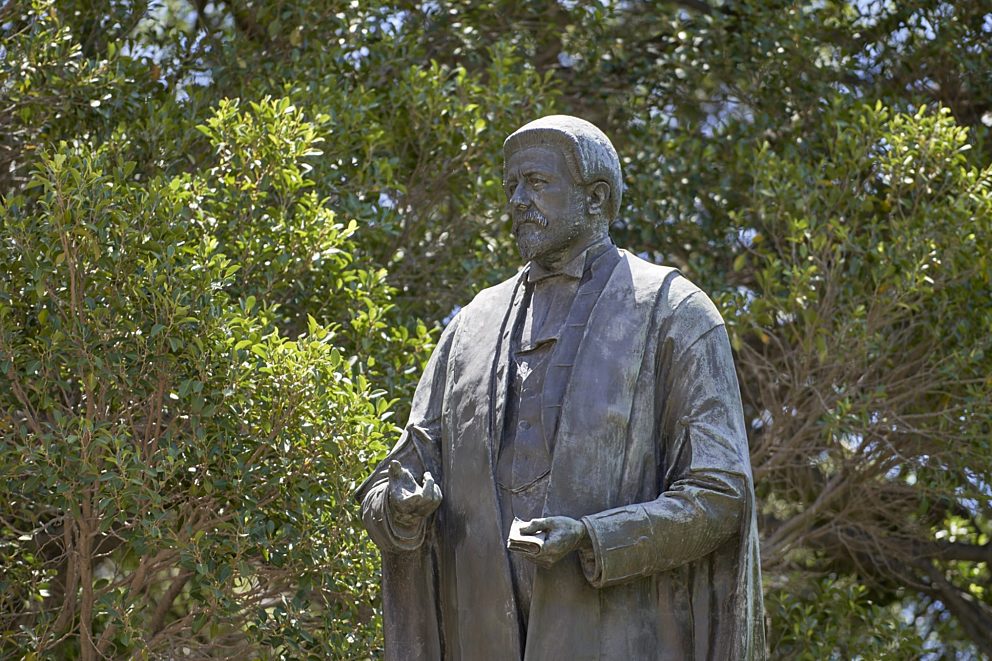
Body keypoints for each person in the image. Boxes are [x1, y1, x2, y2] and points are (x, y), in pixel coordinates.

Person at [355, 115, 765, 660]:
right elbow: (397, 478)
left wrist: (597, 537)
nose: (518, 200)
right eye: (512, 186)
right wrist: (400, 508)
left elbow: (721, 494)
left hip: (620, 636)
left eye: (538, 182)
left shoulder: (674, 312)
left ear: (596, 198)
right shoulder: (471, 326)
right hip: (481, 634)